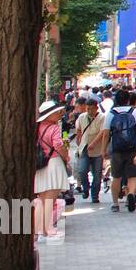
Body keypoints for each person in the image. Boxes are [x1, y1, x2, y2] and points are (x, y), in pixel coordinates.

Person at [34, 99, 72, 242]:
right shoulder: (54, 128)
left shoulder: (38, 127)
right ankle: (46, 230)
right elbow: (58, 144)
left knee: (41, 200)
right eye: (57, 112)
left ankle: (38, 231)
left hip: (40, 165)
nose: (60, 114)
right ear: (49, 115)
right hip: (54, 163)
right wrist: (66, 157)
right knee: (50, 199)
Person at [106, 90, 136, 212]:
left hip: (117, 150)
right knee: (133, 175)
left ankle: (115, 204)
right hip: (133, 149)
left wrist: (104, 150)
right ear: (129, 100)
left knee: (116, 177)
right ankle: (131, 193)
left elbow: (105, 134)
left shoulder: (111, 114)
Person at [73, 95, 108, 203]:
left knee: (97, 174)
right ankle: (86, 188)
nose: (89, 111)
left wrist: (94, 143)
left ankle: (95, 195)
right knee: (82, 170)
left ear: (96, 108)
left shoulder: (102, 117)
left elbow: (103, 132)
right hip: (84, 148)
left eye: (91, 108)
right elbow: (78, 129)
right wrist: (78, 140)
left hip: (97, 150)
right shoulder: (82, 117)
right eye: (87, 108)